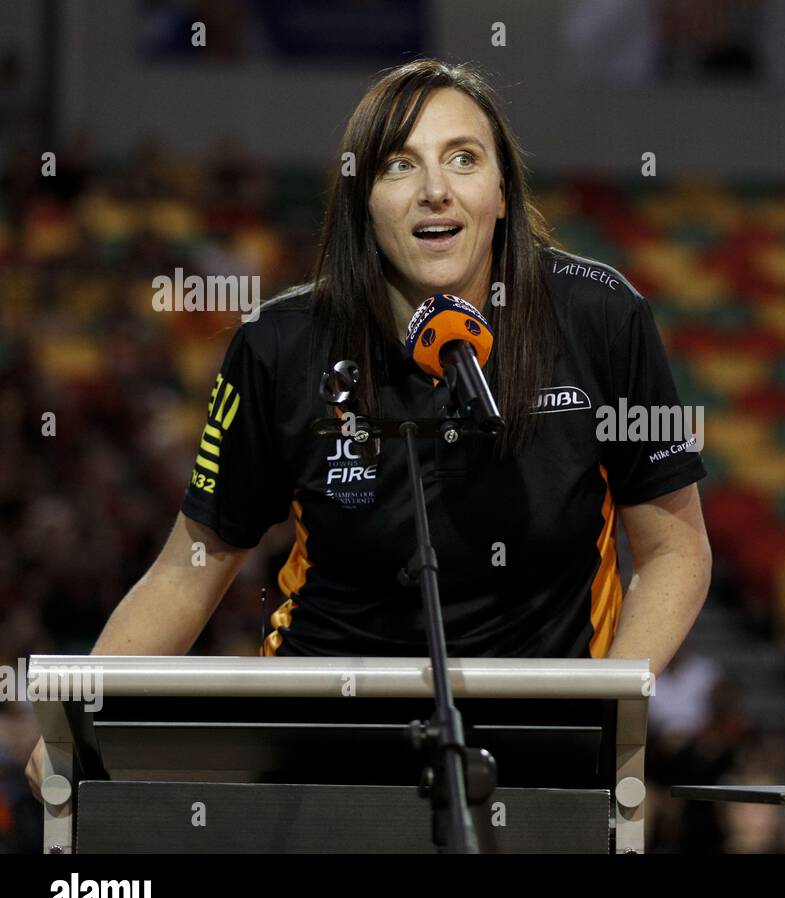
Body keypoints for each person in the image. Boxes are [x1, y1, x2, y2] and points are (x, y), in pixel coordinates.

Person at [27, 58, 711, 796]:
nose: (435, 189)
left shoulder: (605, 318)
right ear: (363, 201)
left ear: (504, 192)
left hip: (543, 745)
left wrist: (611, 715)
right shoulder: (280, 345)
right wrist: (74, 721)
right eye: (399, 166)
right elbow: (190, 568)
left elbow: (676, 549)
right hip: (320, 741)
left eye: (462, 158)